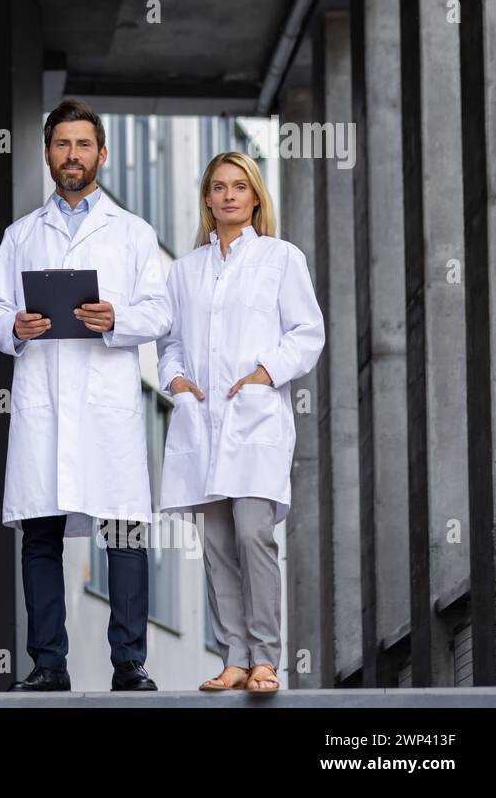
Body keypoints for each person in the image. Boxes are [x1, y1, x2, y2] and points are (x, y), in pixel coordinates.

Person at [0, 98, 171, 692]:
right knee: (40, 535)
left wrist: (115, 318)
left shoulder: (134, 233)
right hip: (43, 397)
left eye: (83, 145)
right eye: (62, 145)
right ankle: (48, 665)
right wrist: (13, 327)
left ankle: (130, 664)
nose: (73, 155)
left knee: (123, 533)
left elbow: (160, 312)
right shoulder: (19, 235)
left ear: (102, 153)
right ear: (46, 154)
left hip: (105, 403)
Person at [157, 151, 325, 694]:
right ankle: (234, 655)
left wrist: (263, 373)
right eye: (219, 186)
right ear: (207, 197)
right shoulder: (183, 271)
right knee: (214, 542)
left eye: (240, 186)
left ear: (255, 197)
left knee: (253, 534)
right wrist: (176, 380)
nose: (229, 195)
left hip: (254, 421)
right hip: (201, 421)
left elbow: (307, 332)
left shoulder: (281, 258)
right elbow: (170, 341)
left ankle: (265, 659)